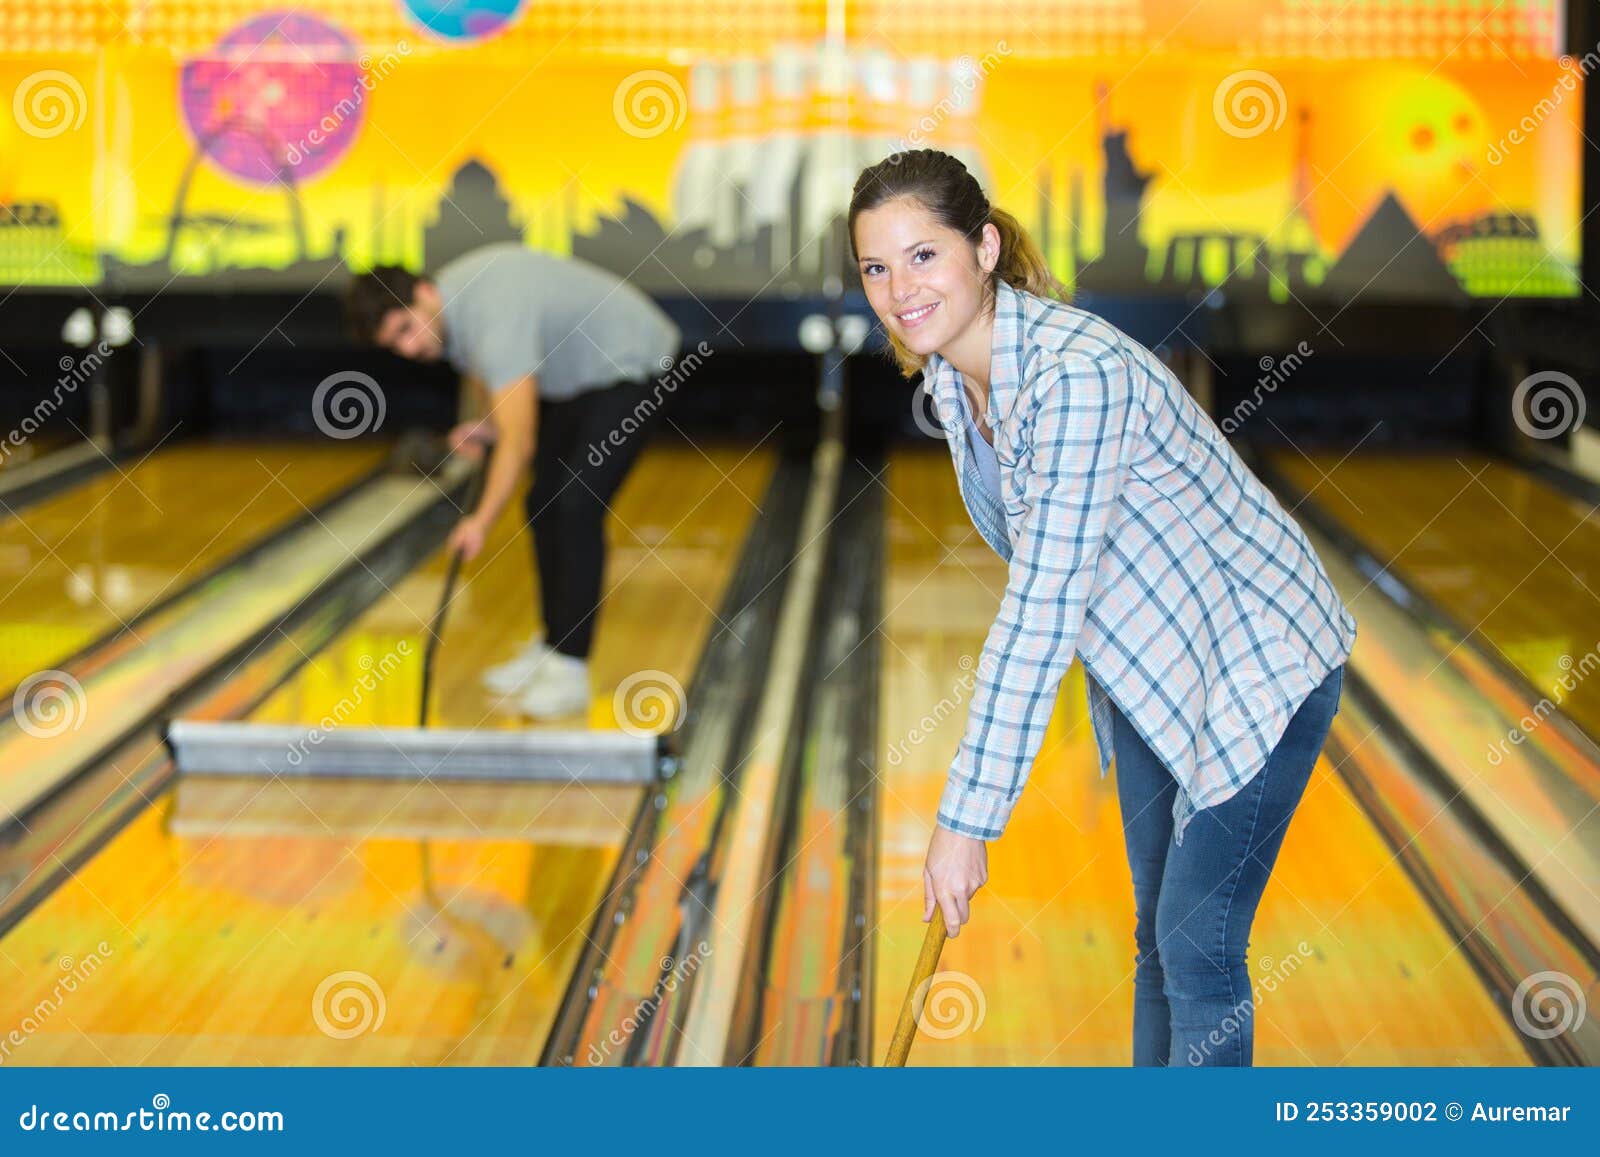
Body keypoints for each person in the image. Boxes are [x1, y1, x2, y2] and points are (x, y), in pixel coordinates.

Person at [848, 149, 1357, 1067]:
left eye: (924, 256)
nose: (899, 288)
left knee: (1199, 946)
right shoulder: (954, 387)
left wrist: (967, 819)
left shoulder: (1077, 377)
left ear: (986, 247)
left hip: (1263, 658)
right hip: (1157, 670)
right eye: (876, 268)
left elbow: (1042, 606)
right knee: (1159, 943)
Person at [344, 242, 681, 718]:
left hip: (635, 365)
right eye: (395, 344)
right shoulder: (449, 307)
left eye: (406, 328)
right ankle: (552, 645)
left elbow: (519, 442)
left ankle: (571, 668)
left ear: (422, 292)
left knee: (575, 507)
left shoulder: (489, 314)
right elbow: (488, 376)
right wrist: (487, 422)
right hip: (579, 378)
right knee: (544, 502)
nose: (410, 348)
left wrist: (480, 521)